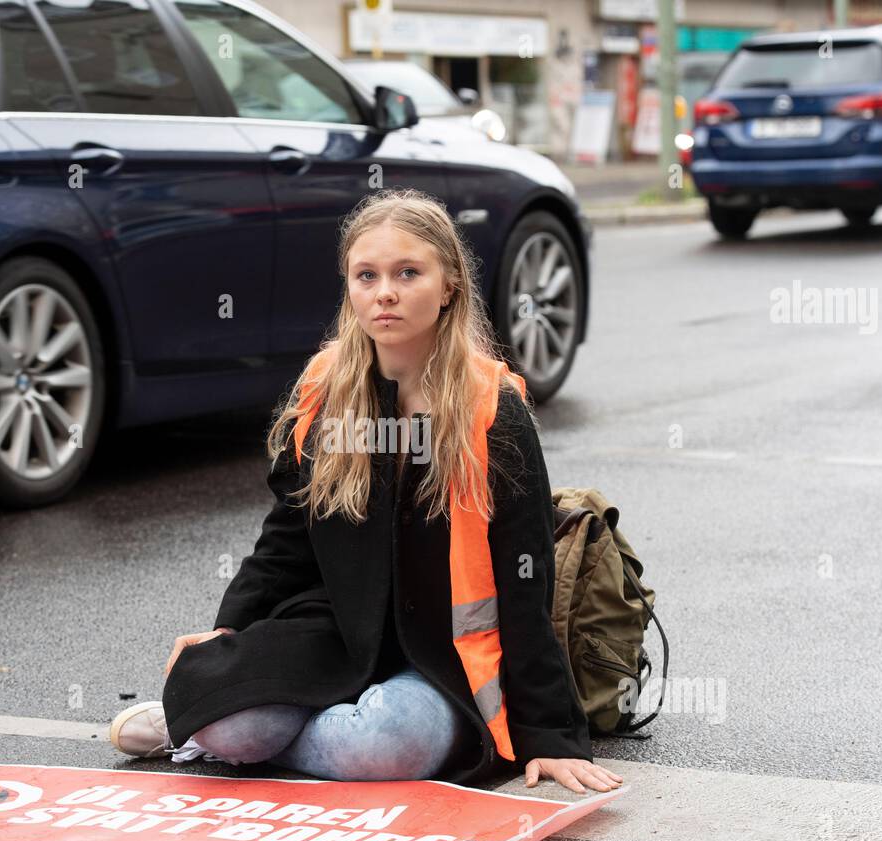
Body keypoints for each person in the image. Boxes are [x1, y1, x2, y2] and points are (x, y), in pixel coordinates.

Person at [110, 188, 622, 795]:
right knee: (238, 726)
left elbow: (524, 579)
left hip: (443, 660)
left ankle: (214, 730)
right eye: (367, 275)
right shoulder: (328, 390)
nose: (385, 292)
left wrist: (550, 736)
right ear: (349, 287)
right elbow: (286, 536)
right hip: (336, 632)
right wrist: (230, 636)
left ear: (450, 284)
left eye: (409, 273)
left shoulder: (492, 408)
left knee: (382, 744)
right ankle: (209, 726)